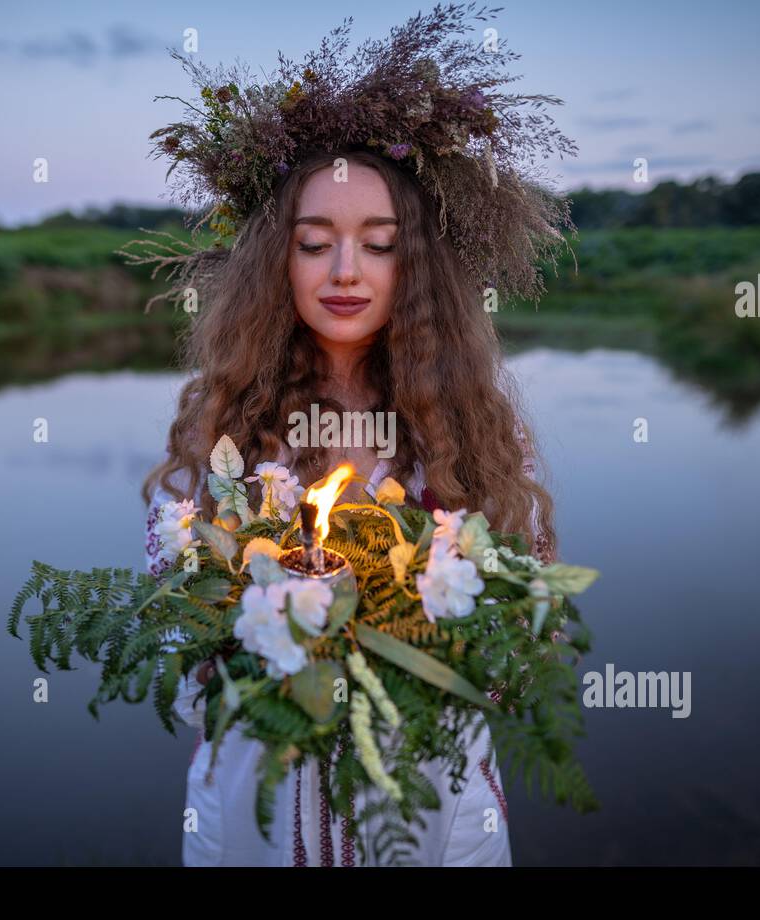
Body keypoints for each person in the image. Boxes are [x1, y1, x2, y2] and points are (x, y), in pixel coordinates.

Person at [134, 5, 575, 865]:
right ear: (277, 259)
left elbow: (528, 643)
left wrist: (420, 646)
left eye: (379, 244)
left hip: (432, 816)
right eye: (314, 243)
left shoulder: (479, 430)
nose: (345, 272)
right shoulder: (226, 421)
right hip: (254, 810)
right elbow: (176, 634)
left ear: (415, 265)